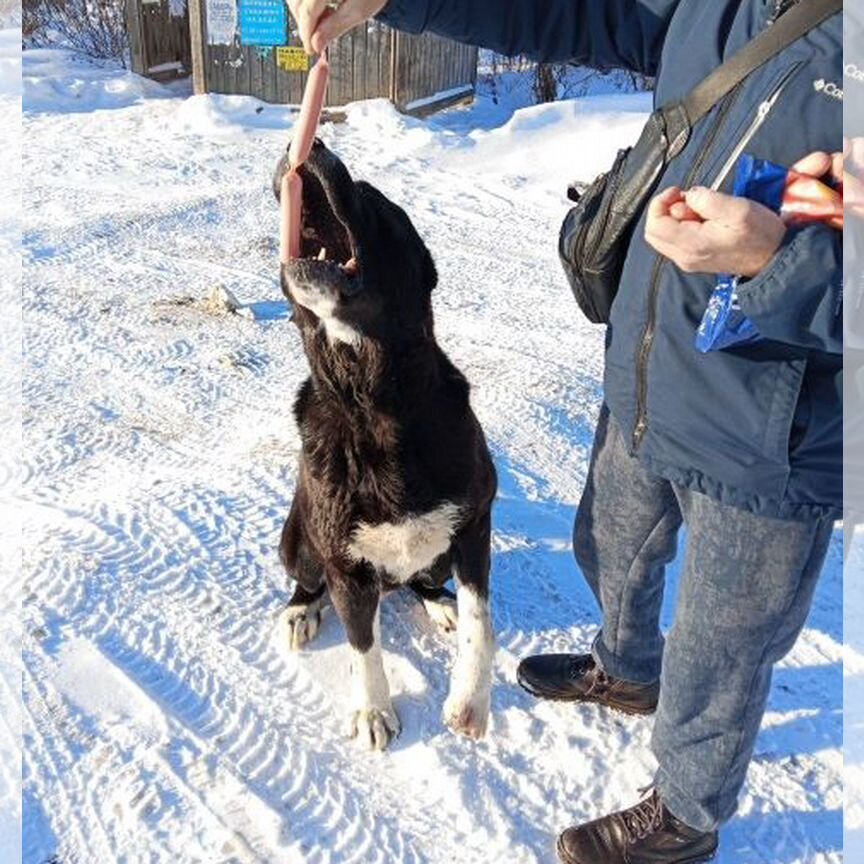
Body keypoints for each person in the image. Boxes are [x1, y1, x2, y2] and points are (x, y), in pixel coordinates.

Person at [287, 1, 843, 862]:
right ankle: (624, 671)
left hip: (780, 426)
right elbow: (573, 6)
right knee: (608, 542)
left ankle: (687, 816)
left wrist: (787, 264)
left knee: (721, 644)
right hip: (655, 375)